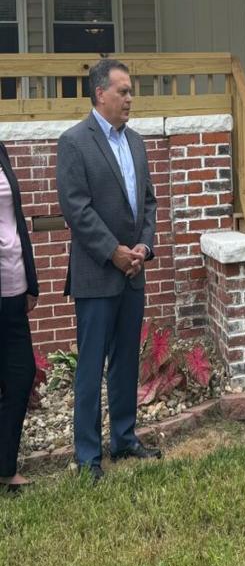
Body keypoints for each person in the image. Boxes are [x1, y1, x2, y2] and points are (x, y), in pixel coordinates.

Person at [57, 58, 159, 480]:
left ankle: (124, 437)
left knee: (125, 362)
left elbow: (148, 203)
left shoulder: (135, 142)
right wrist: (113, 251)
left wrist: (143, 248)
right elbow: (76, 209)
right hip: (98, 275)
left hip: (133, 272)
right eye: (123, 91)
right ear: (100, 93)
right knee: (92, 364)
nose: (130, 99)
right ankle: (87, 456)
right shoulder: (74, 142)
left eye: (131, 91)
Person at [0, 140, 39, 492]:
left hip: (12, 287)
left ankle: (5, 464)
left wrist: (30, 282)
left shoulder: (1, 151)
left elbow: (17, 222)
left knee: (21, 372)